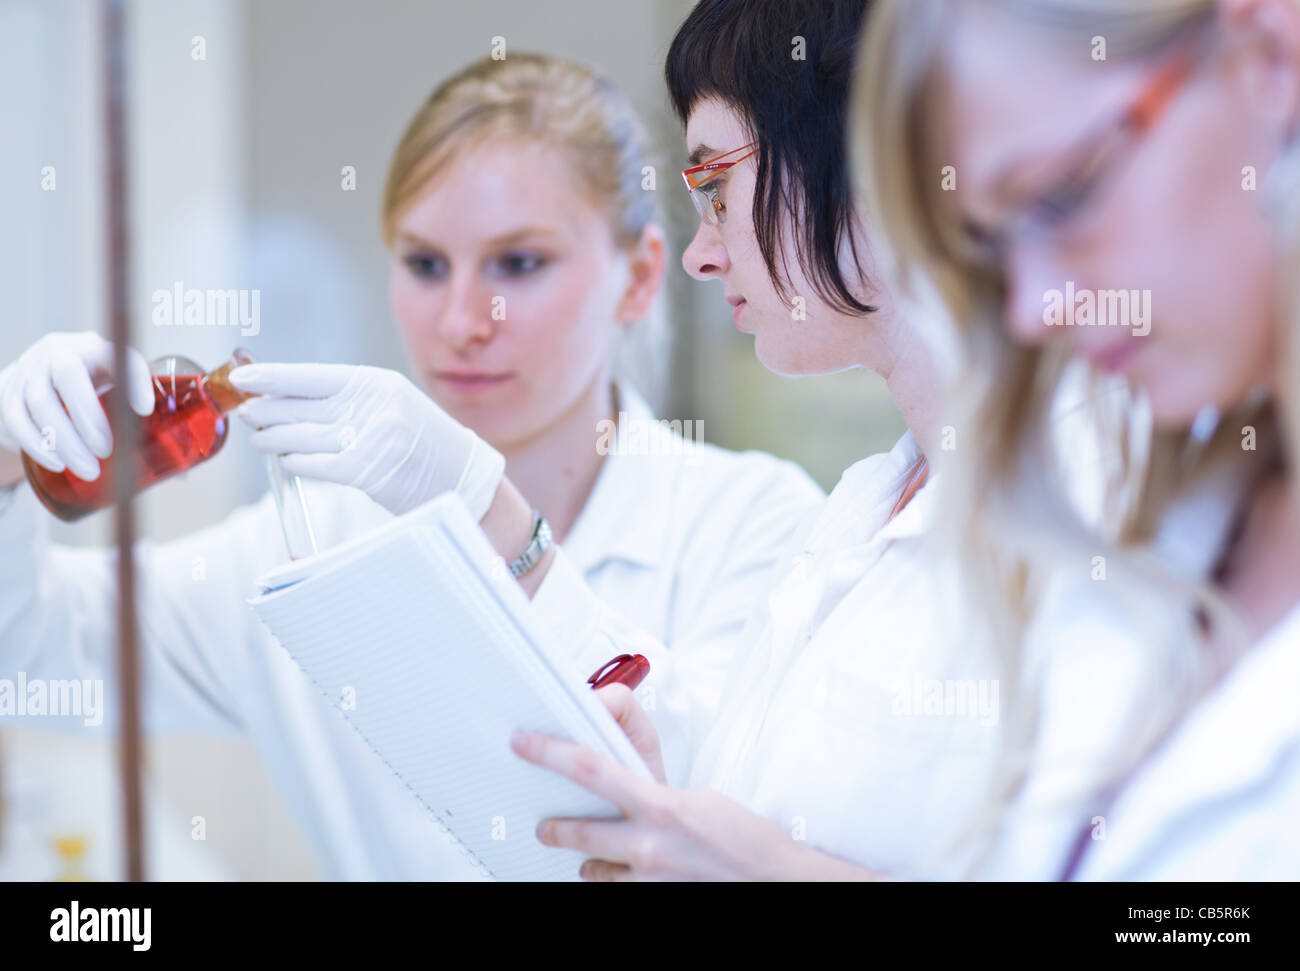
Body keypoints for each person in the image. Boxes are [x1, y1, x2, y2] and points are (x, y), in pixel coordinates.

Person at [0, 53, 821, 880]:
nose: (463, 320)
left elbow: (720, 821)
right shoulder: (303, 544)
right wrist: (4, 457)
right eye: (426, 264)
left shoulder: (756, 526)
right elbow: (26, 656)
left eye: (519, 263)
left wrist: (497, 524)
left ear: (640, 276)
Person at [510, 0, 1043, 881]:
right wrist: (665, 821)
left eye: (716, 186)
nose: (701, 254)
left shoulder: (1102, 500)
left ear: (872, 150)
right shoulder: (860, 514)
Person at [854, 0, 1300, 878]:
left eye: (1063, 191)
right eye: (993, 248)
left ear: (1272, 55)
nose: (1034, 308)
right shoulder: (1168, 535)